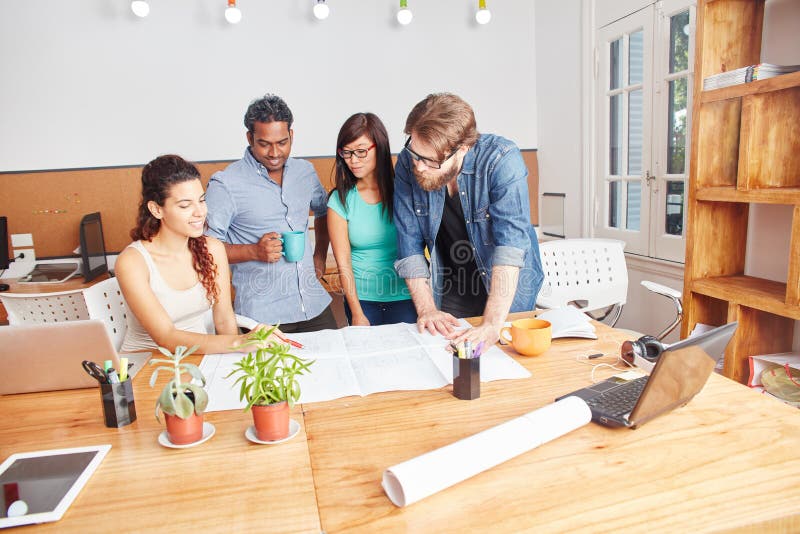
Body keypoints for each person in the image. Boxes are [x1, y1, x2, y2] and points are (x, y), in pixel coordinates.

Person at [393, 93, 544, 348]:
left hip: (507, 290)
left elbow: (510, 248)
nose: (418, 166)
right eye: (415, 153)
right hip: (453, 286)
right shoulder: (409, 163)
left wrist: (492, 324)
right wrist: (427, 309)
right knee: (454, 357)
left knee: (502, 356)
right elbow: (409, 245)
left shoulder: (502, 160)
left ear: (462, 148)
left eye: (430, 161)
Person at [204, 94, 337, 333]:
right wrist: (253, 251)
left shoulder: (305, 172)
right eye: (264, 143)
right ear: (249, 138)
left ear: (292, 136)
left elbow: (324, 210)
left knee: (334, 367)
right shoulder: (226, 183)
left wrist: (319, 255)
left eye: (282, 142)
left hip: (314, 305)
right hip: (262, 317)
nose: (275, 152)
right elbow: (204, 248)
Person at [116, 154, 276, 353]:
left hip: (199, 359)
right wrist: (239, 342)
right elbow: (166, 336)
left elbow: (224, 319)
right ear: (156, 209)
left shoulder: (213, 249)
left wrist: (245, 355)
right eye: (185, 205)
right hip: (148, 365)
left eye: (201, 201)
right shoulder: (132, 262)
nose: (200, 212)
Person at [327, 113, 416, 326]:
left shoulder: (405, 192)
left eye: (361, 151)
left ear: (380, 147)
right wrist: (357, 313)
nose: (353, 160)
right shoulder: (340, 199)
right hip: (362, 300)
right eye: (346, 153)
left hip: (405, 295)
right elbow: (344, 263)